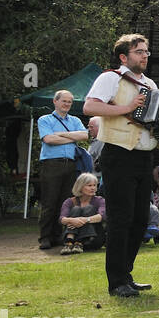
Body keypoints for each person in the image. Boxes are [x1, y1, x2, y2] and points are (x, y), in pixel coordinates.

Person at [84, 35, 159, 298]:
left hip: (143, 157)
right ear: (124, 57)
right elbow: (89, 106)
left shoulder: (150, 84)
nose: (145, 56)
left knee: (140, 218)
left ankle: (125, 274)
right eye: (139, 52)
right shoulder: (111, 78)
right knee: (120, 218)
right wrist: (127, 107)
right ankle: (116, 281)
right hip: (118, 154)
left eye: (146, 52)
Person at [37, 90, 88, 251]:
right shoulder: (45, 119)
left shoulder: (75, 120)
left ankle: (59, 235)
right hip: (52, 164)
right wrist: (71, 137)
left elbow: (85, 135)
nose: (67, 104)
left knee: (65, 202)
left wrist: (61, 134)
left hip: (71, 165)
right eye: (64, 101)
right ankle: (45, 237)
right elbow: (48, 139)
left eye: (69, 102)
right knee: (49, 202)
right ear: (55, 101)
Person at [59, 172, 106, 254]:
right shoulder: (69, 201)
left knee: (89, 208)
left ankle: (78, 242)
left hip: (93, 238)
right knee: (76, 209)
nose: (93, 188)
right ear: (80, 187)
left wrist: (85, 220)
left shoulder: (100, 200)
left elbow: (102, 216)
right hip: (72, 239)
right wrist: (73, 220)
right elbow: (62, 219)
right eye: (89, 185)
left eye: (94, 185)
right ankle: (70, 241)